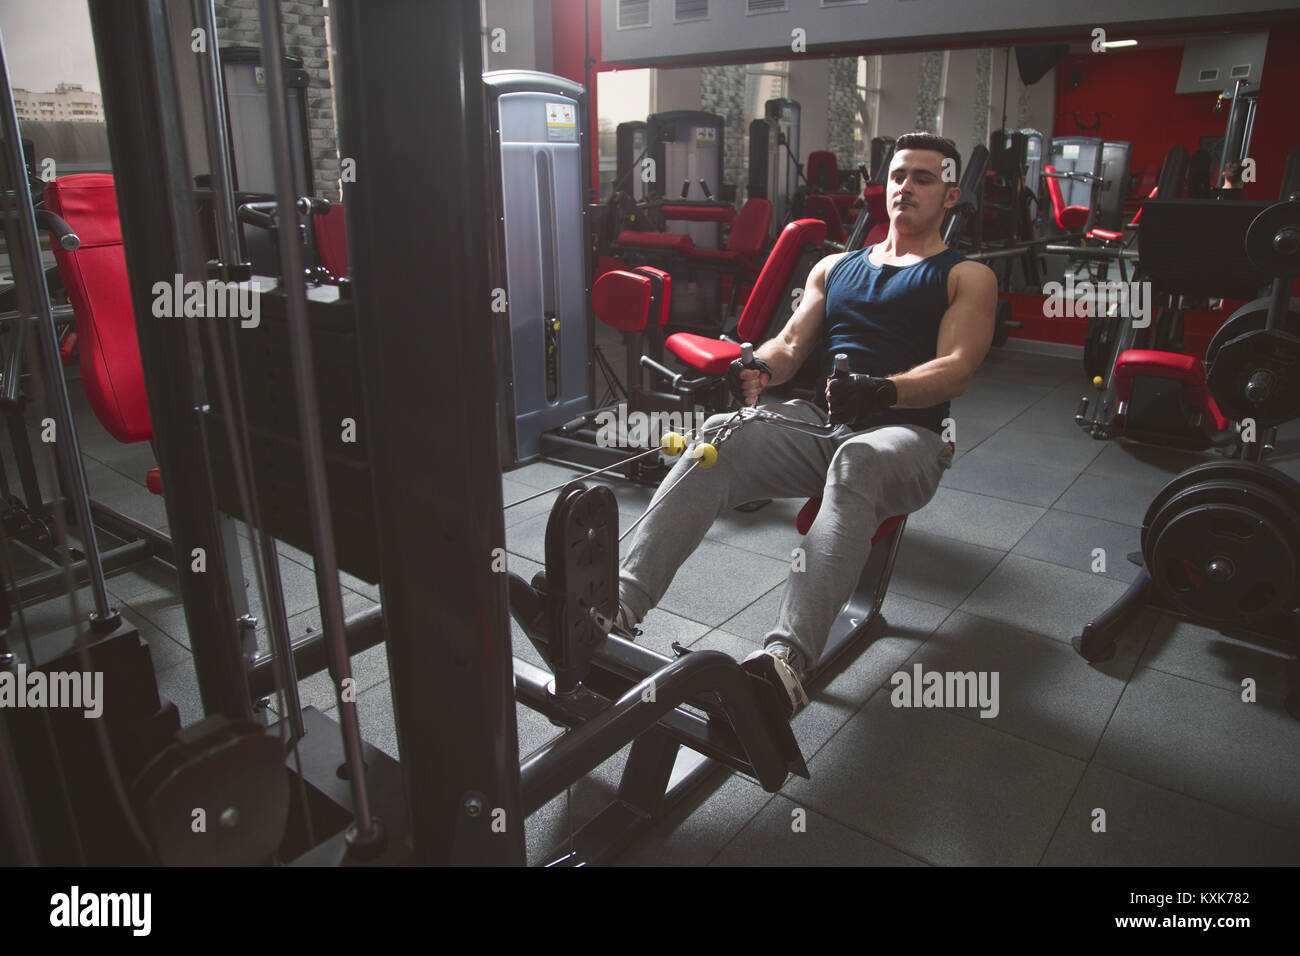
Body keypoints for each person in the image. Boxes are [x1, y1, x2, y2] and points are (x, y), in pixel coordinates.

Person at [614, 132, 999, 717]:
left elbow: (956, 370)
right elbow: (791, 343)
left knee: (857, 461)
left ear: (951, 194)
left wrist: (882, 389)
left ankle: (785, 662)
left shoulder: (965, 276)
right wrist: (760, 368)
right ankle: (619, 604)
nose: (906, 188)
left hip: (908, 438)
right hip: (824, 424)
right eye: (898, 176)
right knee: (722, 430)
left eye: (924, 178)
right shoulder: (836, 267)